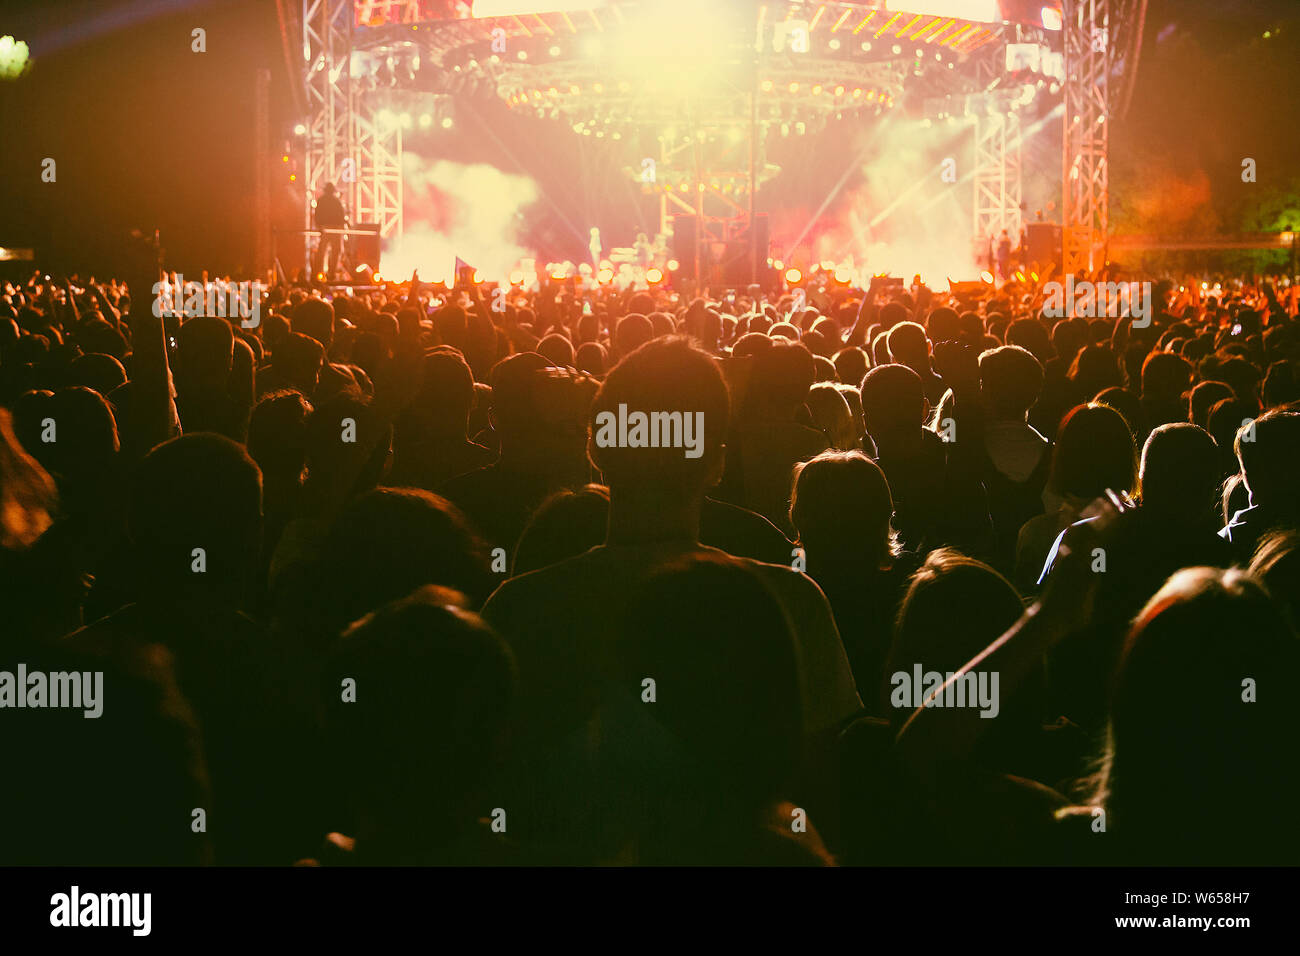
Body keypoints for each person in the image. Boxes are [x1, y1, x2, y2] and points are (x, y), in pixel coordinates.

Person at [311, 183, 347, 282]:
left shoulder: (322, 200)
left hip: (325, 228)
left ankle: (319, 273)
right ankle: (331, 273)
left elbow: (317, 215)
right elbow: (341, 216)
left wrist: (319, 226)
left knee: (322, 251)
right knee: (335, 251)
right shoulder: (336, 201)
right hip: (335, 229)